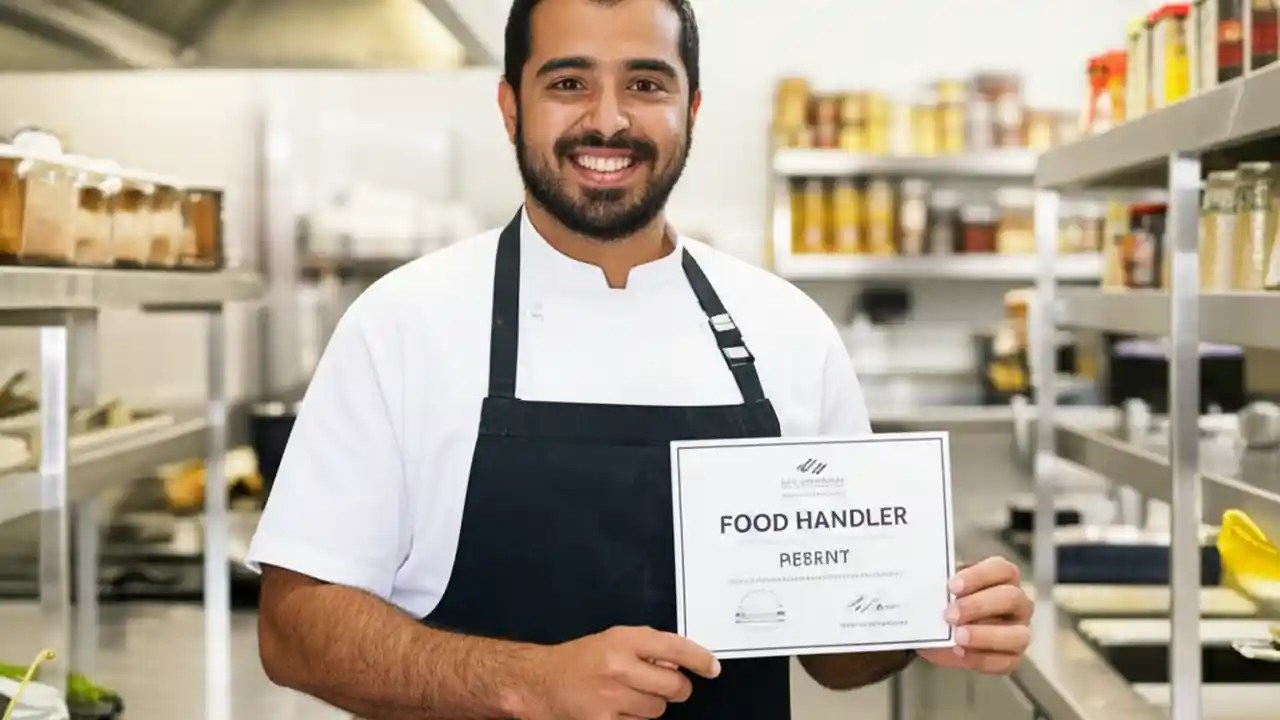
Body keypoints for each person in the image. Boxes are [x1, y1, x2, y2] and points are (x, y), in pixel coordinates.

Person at [246, 0, 1035, 717]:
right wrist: (531, 681)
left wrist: (922, 617)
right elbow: (295, 626)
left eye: (648, 85)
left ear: (690, 110)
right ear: (509, 106)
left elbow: (834, 656)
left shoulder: (788, 331)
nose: (609, 120)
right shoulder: (401, 325)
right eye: (568, 82)